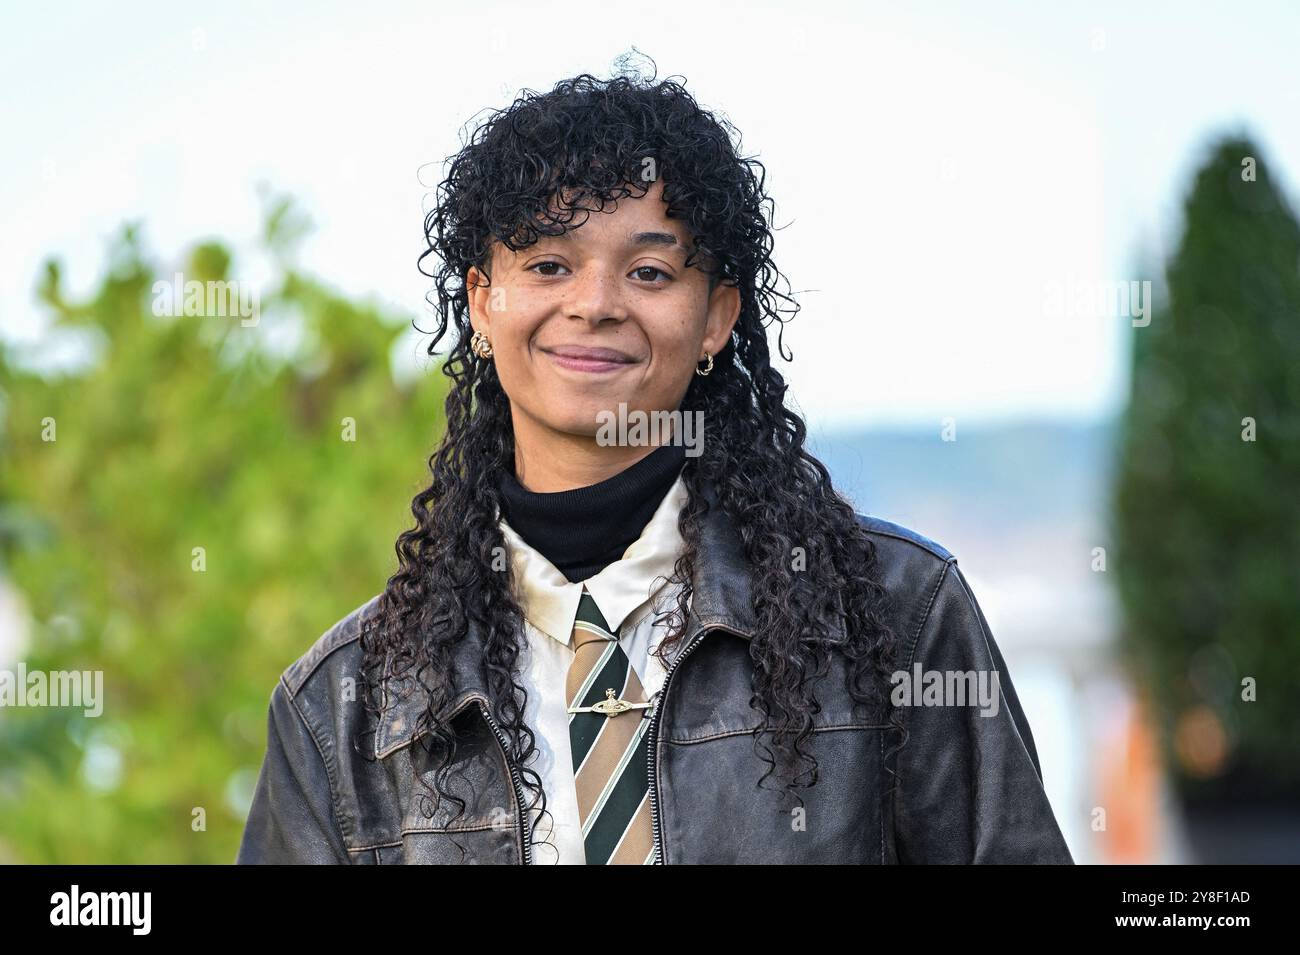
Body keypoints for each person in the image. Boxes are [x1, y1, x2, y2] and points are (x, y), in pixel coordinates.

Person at [236, 67, 1073, 865]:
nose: (596, 303)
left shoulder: (894, 617)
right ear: (482, 303)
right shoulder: (342, 707)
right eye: (548, 264)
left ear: (715, 317)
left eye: (649, 270)